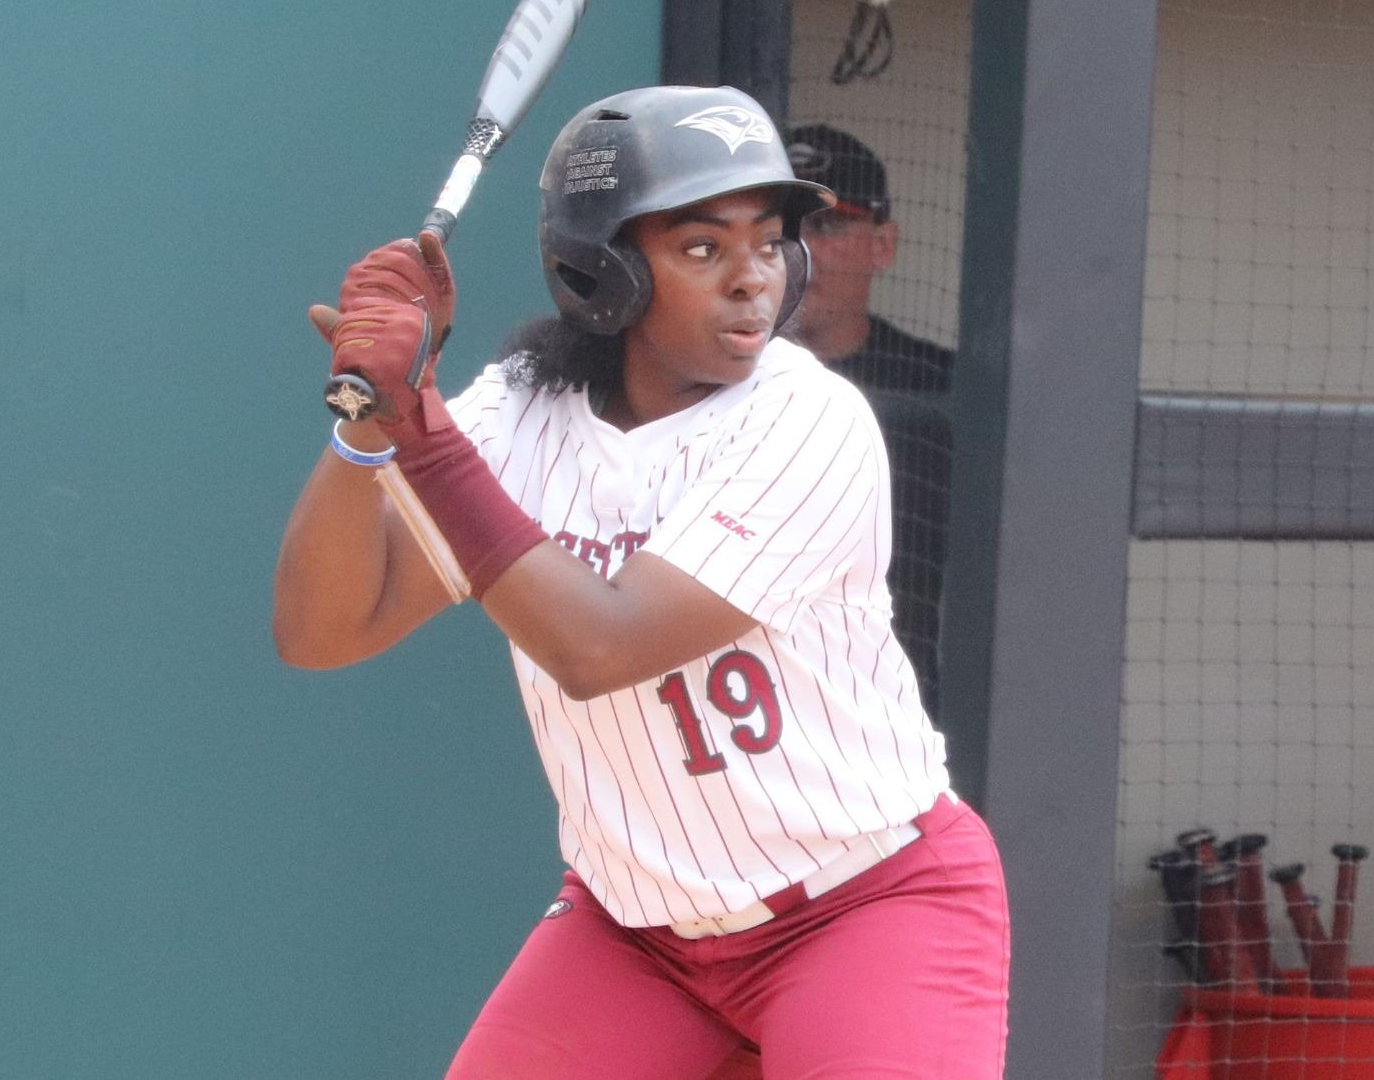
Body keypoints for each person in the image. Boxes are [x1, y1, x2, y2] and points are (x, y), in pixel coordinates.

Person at [274, 85, 1009, 1078]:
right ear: (603, 272)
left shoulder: (809, 417)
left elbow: (599, 647)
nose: (752, 280)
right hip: (636, 932)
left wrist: (423, 430)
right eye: (702, 248)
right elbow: (322, 632)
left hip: (862, 904)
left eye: (769, 243)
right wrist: (369, 418)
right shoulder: (519, 409)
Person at [785, 124, 954, 710]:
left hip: (900, 709)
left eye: (828, 225)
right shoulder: (710, 380)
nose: (800, 249)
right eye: (780, 228)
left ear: (883, 245)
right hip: (747, 709)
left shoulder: (946, 388)